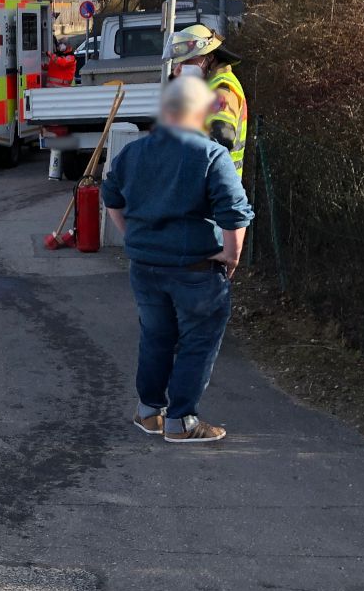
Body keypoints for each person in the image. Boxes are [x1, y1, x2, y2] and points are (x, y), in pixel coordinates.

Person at [101, 75, 254, 443]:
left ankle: (149, 412)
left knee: (155, 337)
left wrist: (132, 237)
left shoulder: (134, 152)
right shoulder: (211, 154)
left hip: (145, 265)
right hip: (196, 268)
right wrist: (231, 257)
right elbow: (235, 212)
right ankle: (182, 422)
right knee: (197, 341)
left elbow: (111, 197)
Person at [168, 23, 248, 176]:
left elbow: (221, 137)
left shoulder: (222, 89)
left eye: (187, 61)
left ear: (210, 58)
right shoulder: (207, 88)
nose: (181, 67)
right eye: (179, 62)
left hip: (217, 187)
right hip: (209, 185)